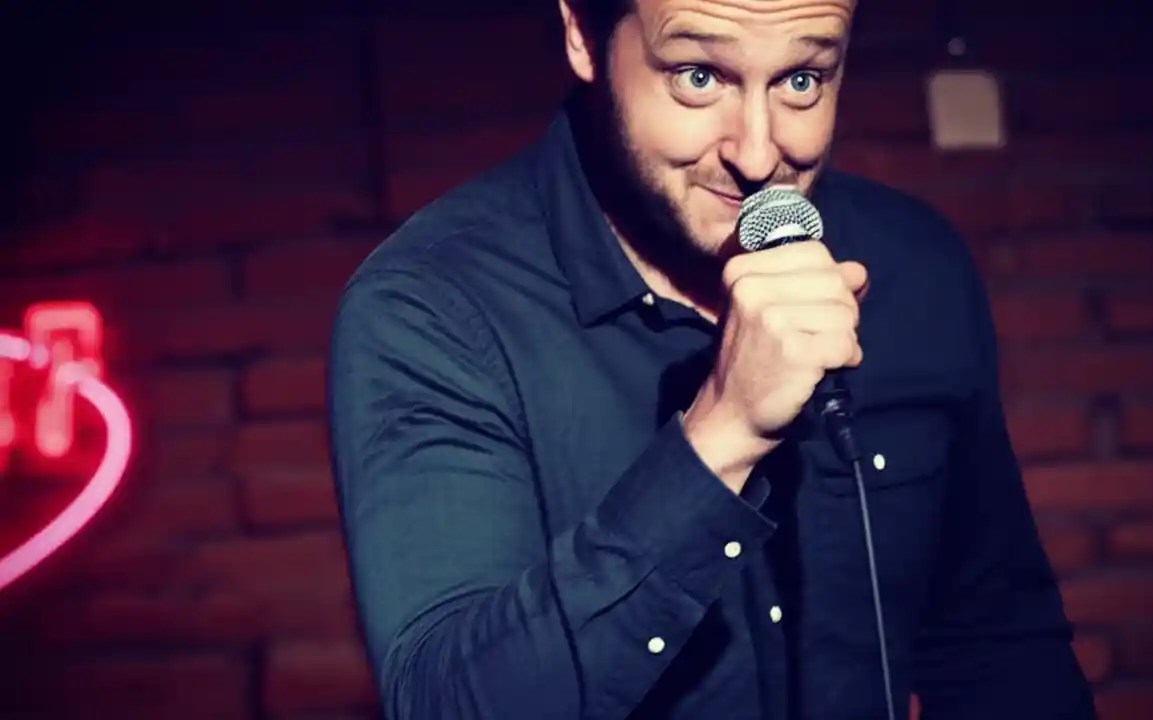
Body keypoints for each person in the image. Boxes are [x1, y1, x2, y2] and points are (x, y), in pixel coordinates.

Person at [326, 0, 1097, 718]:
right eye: (699, 77)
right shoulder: (435, 304)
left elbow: (998, 641)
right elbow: (442, 703)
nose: (759, 155)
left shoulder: (913, 263)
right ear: (582, 36)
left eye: (802, 79)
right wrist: (720, 436)